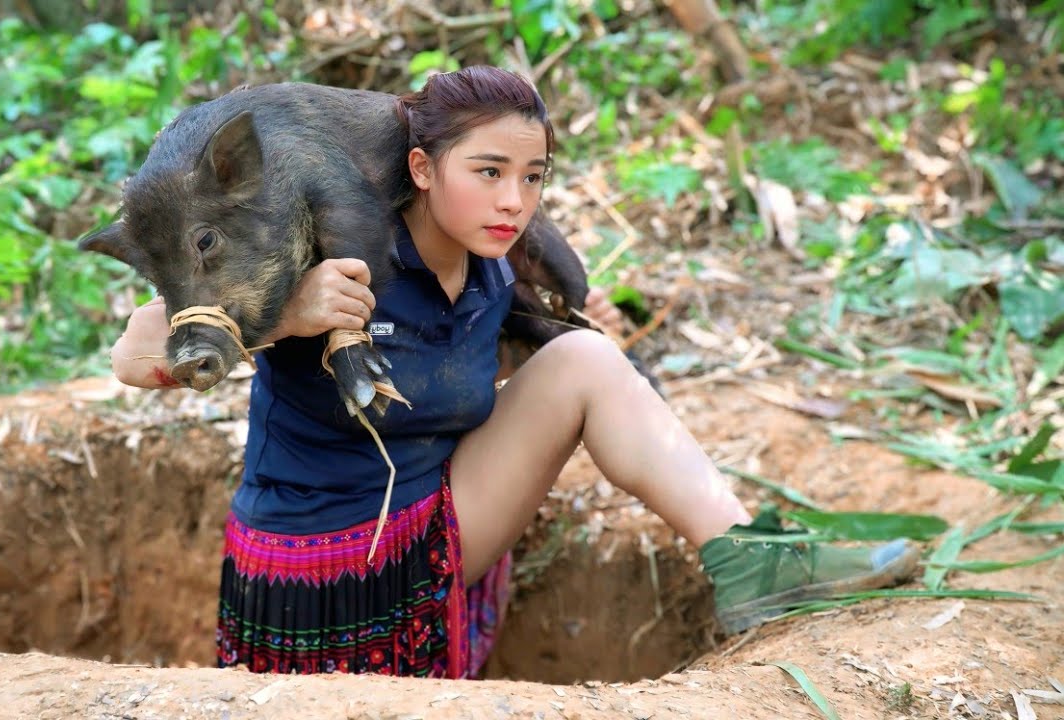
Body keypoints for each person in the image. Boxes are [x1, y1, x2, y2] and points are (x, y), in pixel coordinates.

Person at [110, 66, 919, 679]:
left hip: (427, 528)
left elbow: (540, 379)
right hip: (319, 562)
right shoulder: (320, 244)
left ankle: (750, 558)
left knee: (584, 356)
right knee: (585, 364)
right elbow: (136, 353)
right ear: (422, 170)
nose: (515, 200)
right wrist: (290, 315)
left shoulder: (496, 273)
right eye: (488, 172)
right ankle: (754, 563)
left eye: (533, 177)